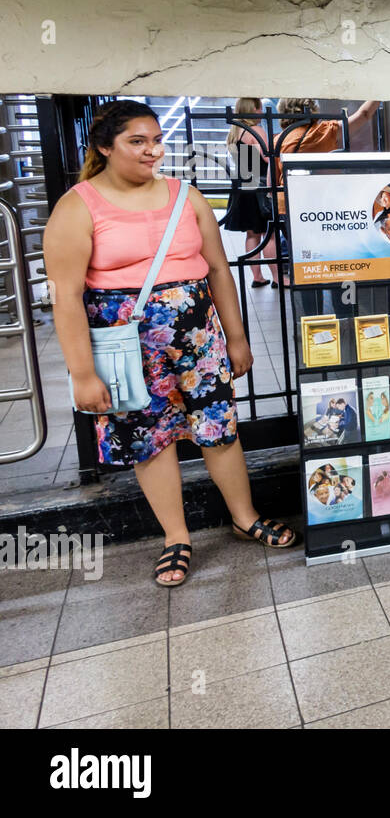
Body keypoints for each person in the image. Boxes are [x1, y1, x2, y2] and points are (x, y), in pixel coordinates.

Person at [45, 100, 298, 587]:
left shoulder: (187, 196)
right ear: (104, 146)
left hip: (199, 339)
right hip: (127, 348)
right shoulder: (79, 206)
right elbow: (67, 297)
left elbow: (221, 270)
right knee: (150, 440)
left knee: (219, 429)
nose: (152, 151)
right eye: (137, 142)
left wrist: (237, 339)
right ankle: (176, 537)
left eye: (156, 140)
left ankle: (244, 517)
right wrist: (82, 373)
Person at [221, 97, 279, 287]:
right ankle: (279, 278)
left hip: (242, 185)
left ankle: (257, 276)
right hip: (259, 186)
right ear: (253, 109)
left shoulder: (234, 132)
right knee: (269, 234)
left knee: (252, 234)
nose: (262, 111)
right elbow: (268, 156)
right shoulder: (256, 130)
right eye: (260, 107)